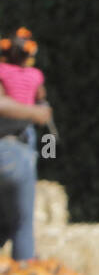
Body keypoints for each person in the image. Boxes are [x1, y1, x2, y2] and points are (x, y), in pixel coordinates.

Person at [0, 28, 50, 261]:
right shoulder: (35, 75)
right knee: (22, 224)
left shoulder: (1, 71)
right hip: (22, 140)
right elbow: (43, 107)